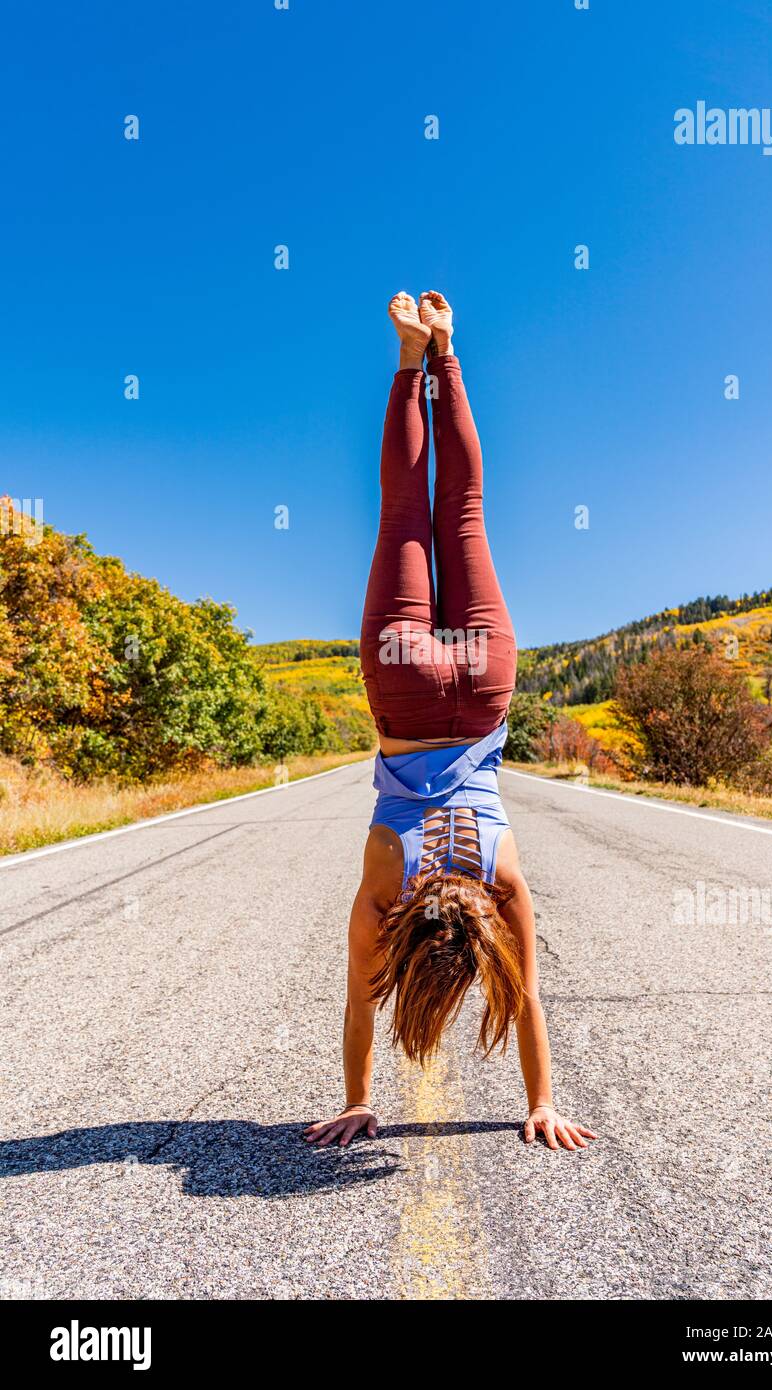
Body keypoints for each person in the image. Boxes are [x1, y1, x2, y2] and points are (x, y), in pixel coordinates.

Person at [305, 292, 597, 1153]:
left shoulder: (502, 886)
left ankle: (447, 352)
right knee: (407, 516)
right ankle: (409, 357)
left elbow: (531, 999)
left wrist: (542, 1101)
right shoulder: (385, 886)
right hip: (402, 688)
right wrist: (358, 1098)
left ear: (474, 946)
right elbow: (360, 1001)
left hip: (483, 685)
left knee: (462, 512)